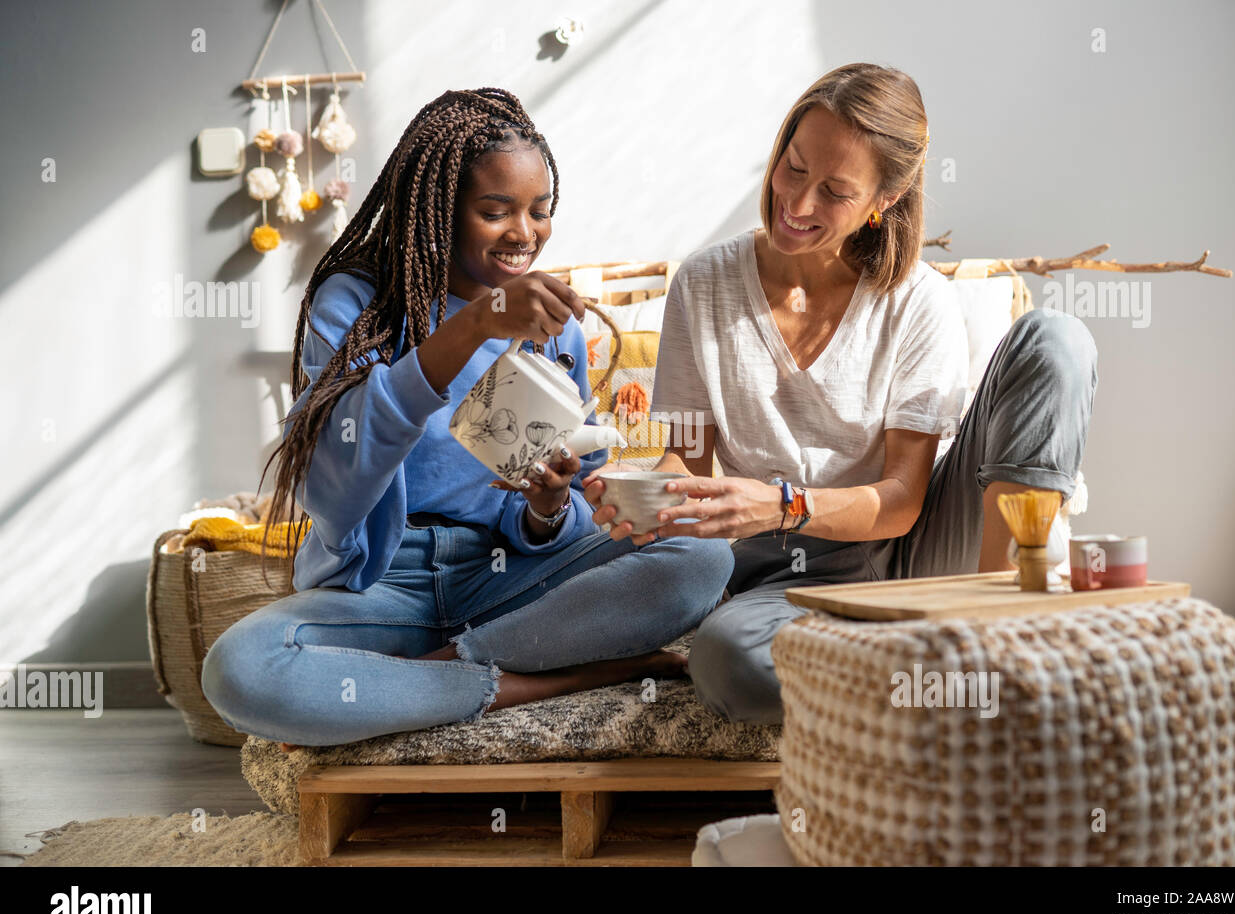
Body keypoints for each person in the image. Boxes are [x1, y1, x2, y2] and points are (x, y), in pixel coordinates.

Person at [200, 88, 734, 748]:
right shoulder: (358, 306)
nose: (525, 233)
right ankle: (548, 679)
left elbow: (570, 505)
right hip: (381, 587)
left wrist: (546, 508)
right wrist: (477, 322)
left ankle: (424, 679)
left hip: (513, 582)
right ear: (437, 211)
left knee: (702, 554)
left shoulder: (553, 329)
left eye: (541, 212)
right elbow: (329, 486)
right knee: (240, 670)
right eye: (495, 211)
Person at [583, 64, 1098, 725]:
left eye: (833, 191)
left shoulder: (918, 301)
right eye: (793, 169)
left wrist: (779, 503)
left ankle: (997, 625)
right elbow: (684, 461)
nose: (797, 205)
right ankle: (940, 672)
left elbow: (903, 501)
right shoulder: (704, 285)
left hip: (919, 550)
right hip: (784, 583)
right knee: (726, 663)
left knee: (1057, 339)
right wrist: (636, 498)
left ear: (885, 198)